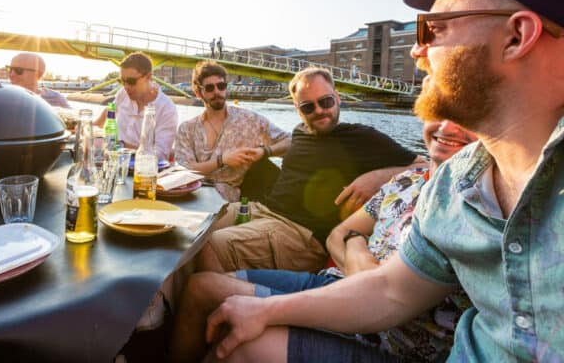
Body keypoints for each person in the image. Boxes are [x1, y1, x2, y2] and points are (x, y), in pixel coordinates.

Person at [204, 0, 564, 362]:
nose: (417, 50)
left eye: (434, 28)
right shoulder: (453, 184)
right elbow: (392, 291)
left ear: (517, 35)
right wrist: (264, 310)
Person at [170, 120, 476, 363]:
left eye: (467, 117)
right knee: (200, 287)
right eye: (439, 112)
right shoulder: (407, 182)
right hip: (335, 283)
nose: (447, 126)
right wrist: (356, 245)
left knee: (244, 343)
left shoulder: (472, 208)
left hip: (390, 341)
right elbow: (339, 234)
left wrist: (356, 250)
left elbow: (380, 293)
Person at [196, 67, 420, 275]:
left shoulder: (362, 137)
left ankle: (213, 295)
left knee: (210, 246)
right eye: (308, 107)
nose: (319, 111)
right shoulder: (300, 132)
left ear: (337, 98)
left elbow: (423, 165)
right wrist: (264, 152)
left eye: (326, 101)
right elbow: (286, 146)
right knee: (192, 226)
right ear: (298, 109)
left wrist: (376, 178)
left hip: (301, 235)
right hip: (262, 210)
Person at [174, 60, 291, 201]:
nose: (217, 92)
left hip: (227, 199)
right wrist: (222, 160)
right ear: (198, 93)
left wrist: (265, 152)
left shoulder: (249, 120)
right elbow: (185, 171)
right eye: (210, 88)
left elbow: (290, 141)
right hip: (192, 194)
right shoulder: (187, 128)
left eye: (221, 86)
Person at [95, 51, 178, 161]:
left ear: (148, 77)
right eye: (122, 81)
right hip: (114, 162)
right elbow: (108, 111)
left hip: (142, 168)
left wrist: (120, 146)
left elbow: (161, 155)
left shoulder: (166, 109)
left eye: (131, 81)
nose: (126, 86)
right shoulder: (122, 94)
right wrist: (92, 128)